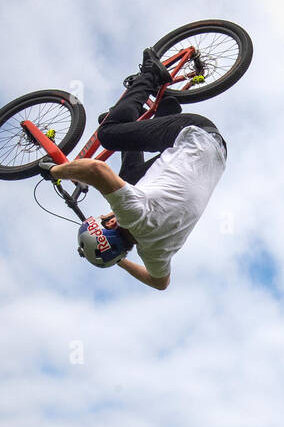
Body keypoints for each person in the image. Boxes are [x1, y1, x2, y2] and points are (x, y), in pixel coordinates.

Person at [51, 47, 229, 291]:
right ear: (111, 225)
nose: (107, 214)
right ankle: (150, 75)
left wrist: (120, 261)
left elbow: (159, 283)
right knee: (110, 134)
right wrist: (56, 171)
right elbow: (97, 170)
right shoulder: (133, 215)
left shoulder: (154, 252)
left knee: (129, 179)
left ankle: (165, 109)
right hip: (195, 134)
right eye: (104, 217)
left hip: (217, 157)